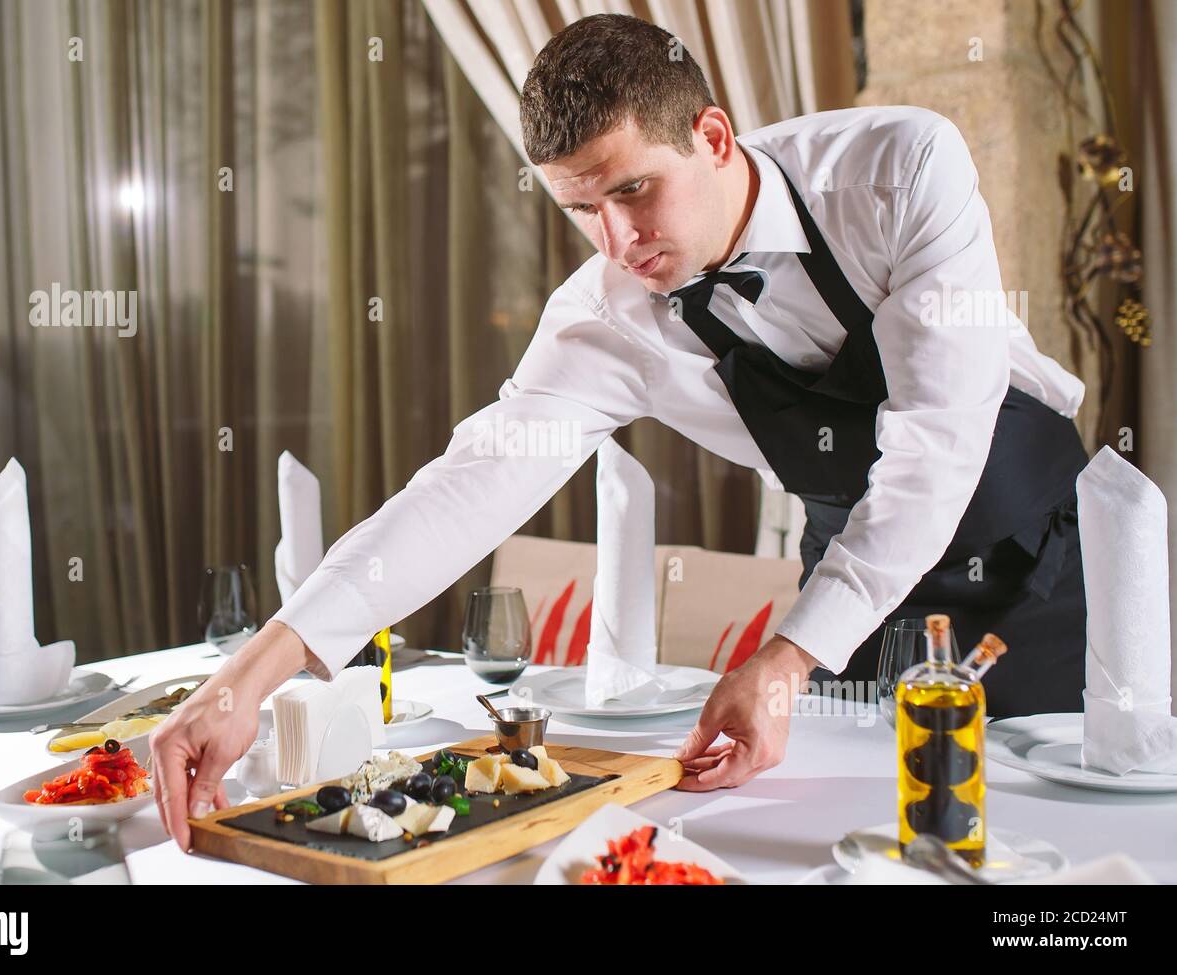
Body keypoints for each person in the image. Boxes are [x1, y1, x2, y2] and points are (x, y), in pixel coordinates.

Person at [152, 13, 1088, 850]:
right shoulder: (605, 311)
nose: (618, 241)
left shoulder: (901, 168)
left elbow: (937, 445)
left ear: (713, 136)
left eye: (635, 191)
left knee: (1034, 838)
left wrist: (789, 652)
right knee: (844, 839)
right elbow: (466, 487)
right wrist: (252, 673)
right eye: (580, 210)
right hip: (849, 562)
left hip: (1023, 549)